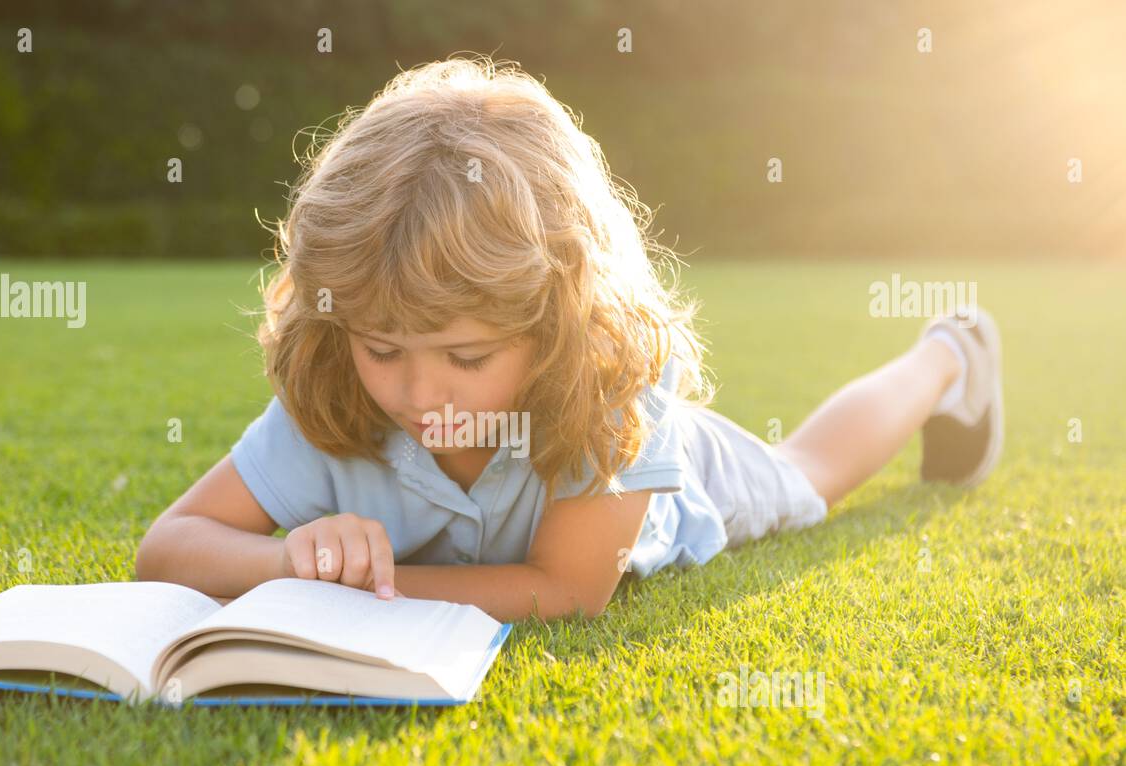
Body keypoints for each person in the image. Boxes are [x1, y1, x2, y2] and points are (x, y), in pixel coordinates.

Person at [135, 56, 1003, 624]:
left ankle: (950, 354)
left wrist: (350, 592)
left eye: (466, 357)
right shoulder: (340, 396)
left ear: (555, 321)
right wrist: (287, 556)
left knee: (809, 474)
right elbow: (168, 548)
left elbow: (564, 591)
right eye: (383, 349)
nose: (417, 394)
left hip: (670, 486)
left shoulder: (609, 390)